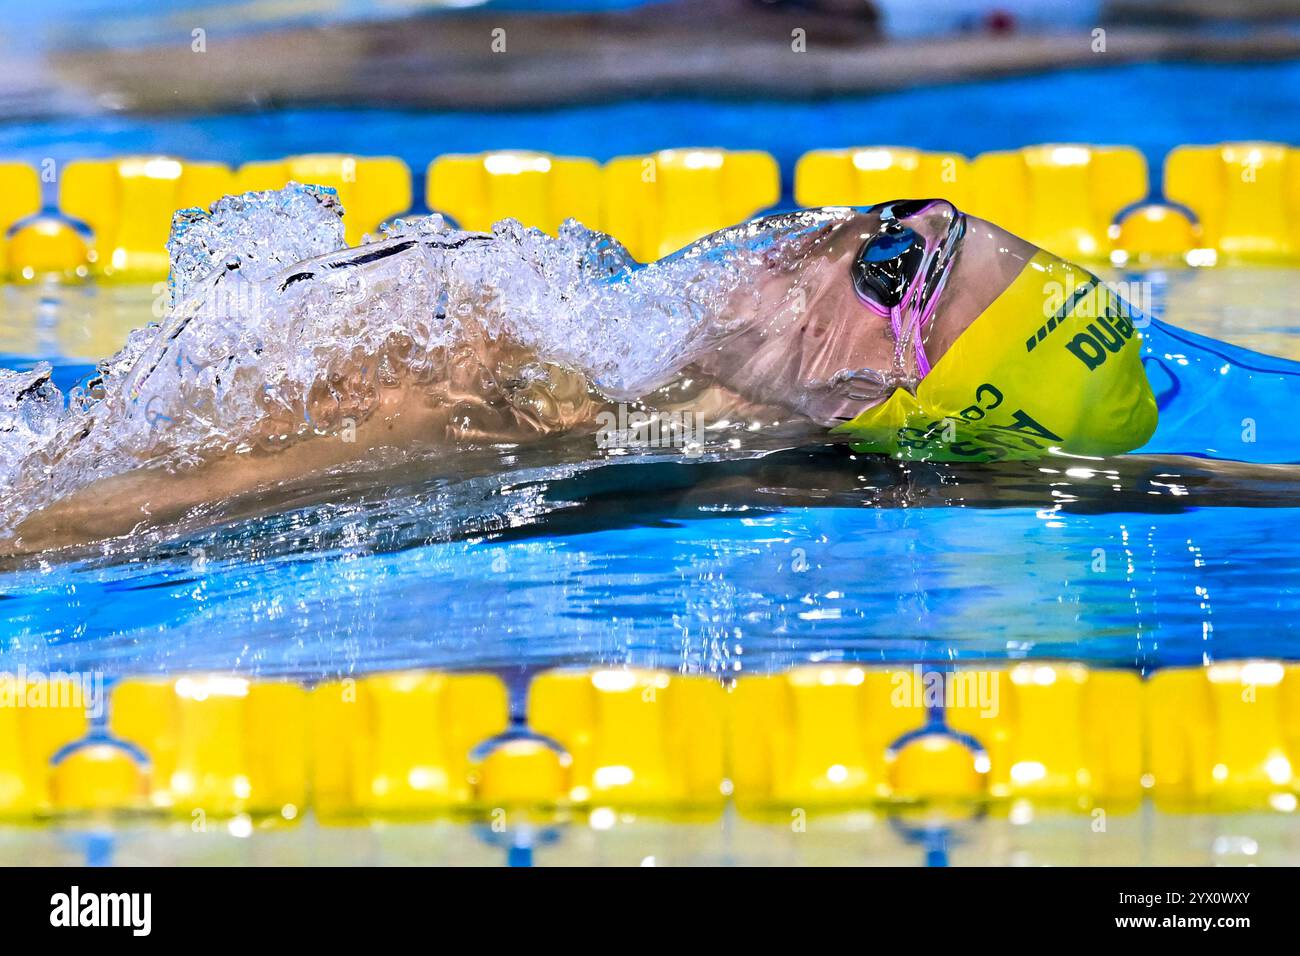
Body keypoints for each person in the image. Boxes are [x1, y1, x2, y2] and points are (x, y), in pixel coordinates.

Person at [0, 188, 1293, 553]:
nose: (852, 230)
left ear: (873, 402)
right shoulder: (618, 374)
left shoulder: (510, 409)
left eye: (897, 272)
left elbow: (103, 510)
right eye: (913, 214)